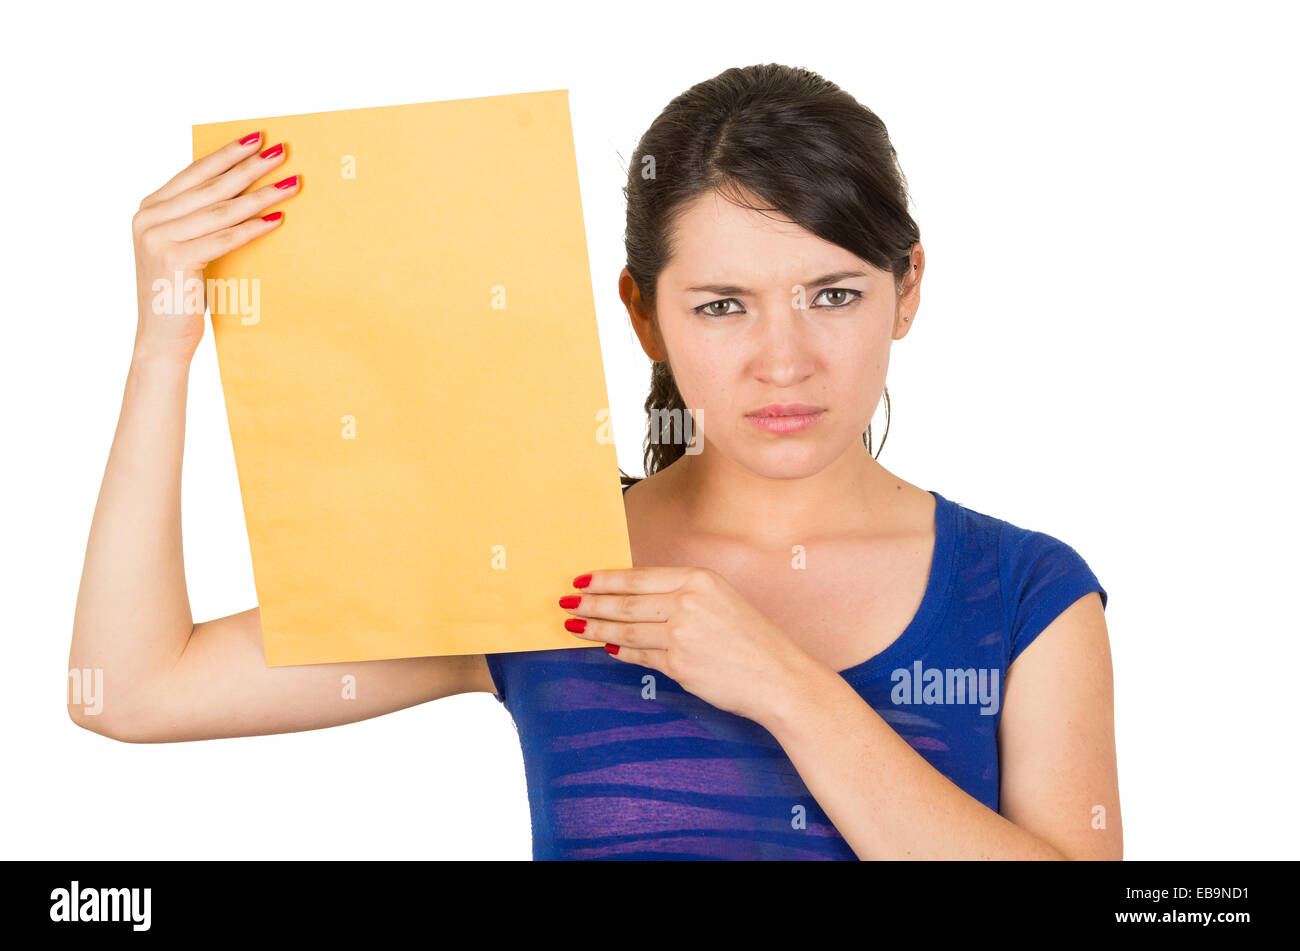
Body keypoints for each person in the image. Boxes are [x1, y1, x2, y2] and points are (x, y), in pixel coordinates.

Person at [69, 63, 1120, 861]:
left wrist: (789, 689)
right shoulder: (543, 563)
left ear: (909, 288)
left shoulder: (1023, 590)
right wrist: (166, 339)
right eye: (721, 306)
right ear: (644, 315)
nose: (784, 359)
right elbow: (131, 689)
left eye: (833, 293)